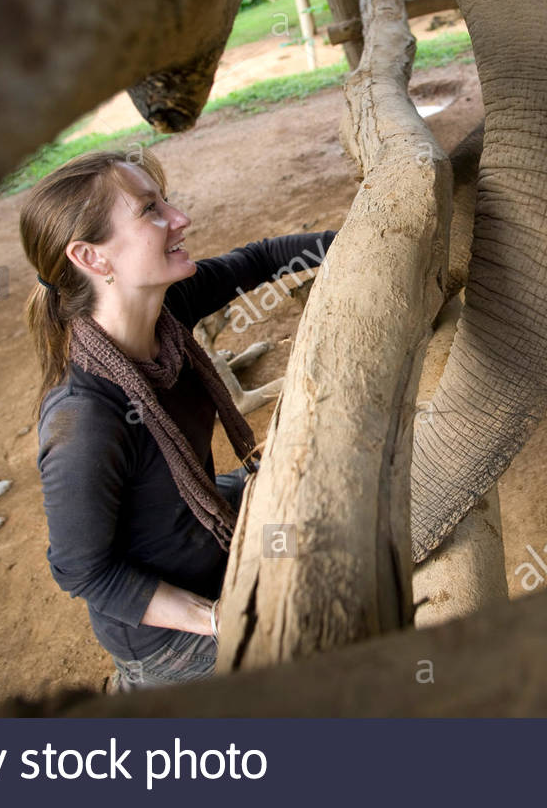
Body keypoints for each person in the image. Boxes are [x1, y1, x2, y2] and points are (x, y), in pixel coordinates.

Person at [19, 150, 336, 692]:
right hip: (168, 635)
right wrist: (220, 620)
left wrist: (373, 237)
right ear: (91, 257)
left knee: (326, 487)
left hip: (203, 514)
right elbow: (84, 571)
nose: (180, 216)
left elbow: (261, 260)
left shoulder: (167, 312)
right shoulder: (85, 424)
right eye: (150, 210)